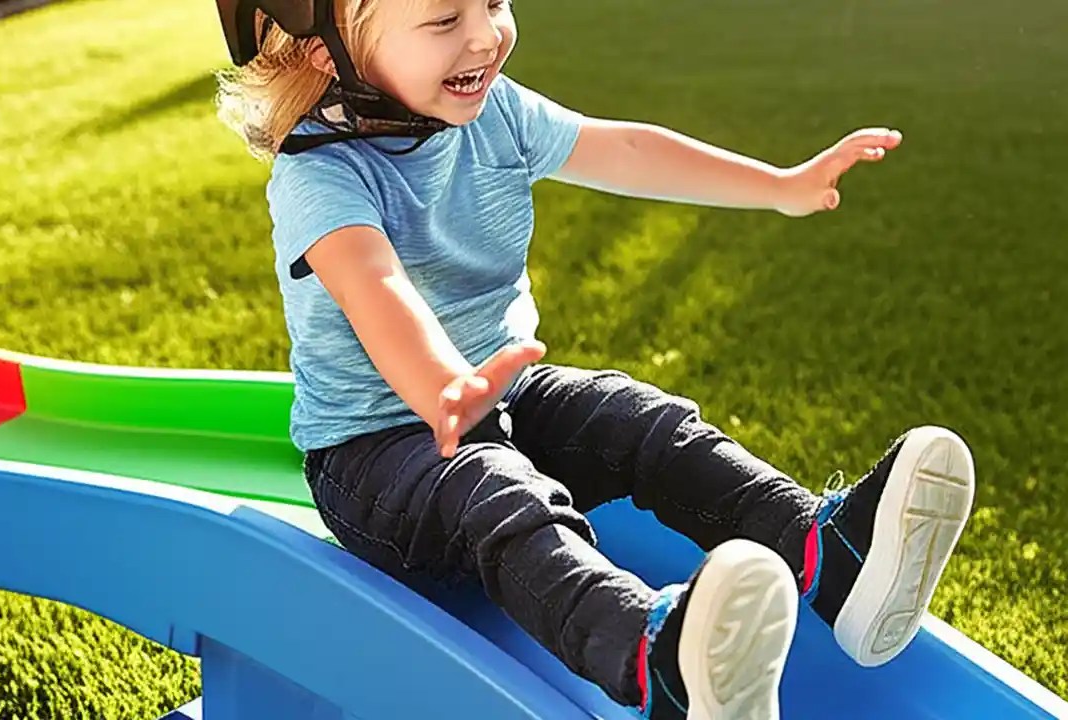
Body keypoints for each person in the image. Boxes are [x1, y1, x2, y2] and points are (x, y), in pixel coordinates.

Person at [214, 1, 977, 717]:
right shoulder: (321, 174)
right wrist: (445, 387)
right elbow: (374, 284)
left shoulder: (496, 113)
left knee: (635, 419)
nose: (484, 36)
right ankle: (659, 666)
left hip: (498, 397)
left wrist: (779, 187)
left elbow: (628, 149)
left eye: (494, 3)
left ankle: (830, 556)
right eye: (444, 19)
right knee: (496, 491)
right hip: (377, 455)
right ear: (326, 49)